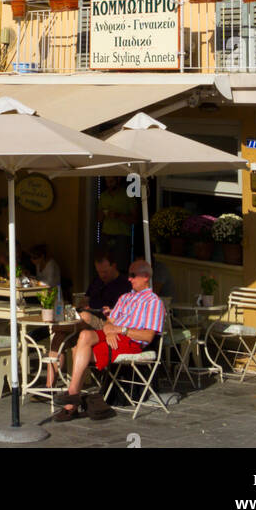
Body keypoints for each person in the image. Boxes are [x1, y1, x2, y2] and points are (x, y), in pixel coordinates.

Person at [52, 259, 165, 422]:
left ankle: (71, 401)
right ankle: (74, 395)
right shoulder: (125, 297)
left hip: (131, 341)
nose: (129, 279)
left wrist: (121, 330)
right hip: (114, 336)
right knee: (84, 335)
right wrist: (109, 330)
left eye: (133, 275)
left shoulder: (153, 302)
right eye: (129, 275)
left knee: (78, 348)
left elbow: (148, 336)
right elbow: (108, 322)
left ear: (146, 276)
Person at [46, 248, 129, 385]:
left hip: (107, 322)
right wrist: (84, 303)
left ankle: (56, 327)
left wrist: (111, 310)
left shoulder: (124, 284)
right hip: (86, 319)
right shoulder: (97, 281)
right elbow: (86, 299)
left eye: (105, 271)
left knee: (82, 317)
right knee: (58, 336)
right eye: (99, 272)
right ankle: (49, 387)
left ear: (114, 266)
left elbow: (127, 311)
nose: (102, 275)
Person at [96, 176, 139, 271]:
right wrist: (103, 214)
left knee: (120, 266)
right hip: (106, 234)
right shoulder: (103, 196)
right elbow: (99, 219)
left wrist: (118, 215)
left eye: (111, 182)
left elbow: (135, 219)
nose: (109, 185)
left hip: (122, 236)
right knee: (105, 266)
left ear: (118, 180)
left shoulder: (128, 195)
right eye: (107, 182)